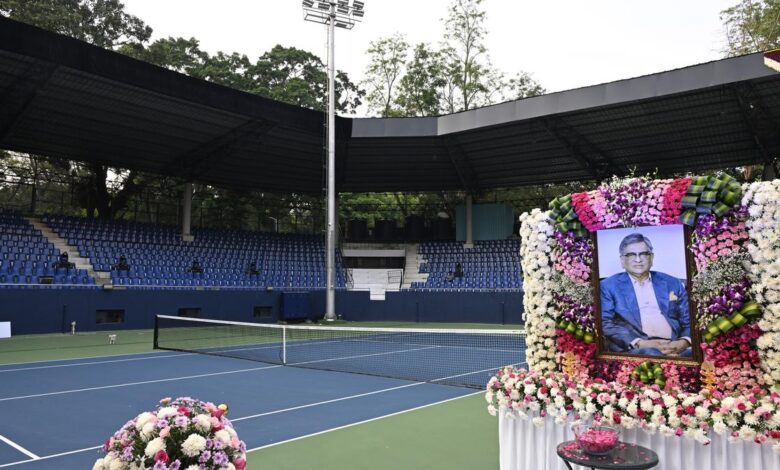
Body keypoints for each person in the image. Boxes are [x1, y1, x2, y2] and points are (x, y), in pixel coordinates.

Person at [600, 233, 691, 357]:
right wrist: (640, 343)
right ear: (622, 260)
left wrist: (684, 341)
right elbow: (605, 322)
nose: (638, 259)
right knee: (651, 354)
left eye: (643, 254)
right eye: (631, 255)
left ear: (651, 258)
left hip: (675, 345)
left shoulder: (672, 283)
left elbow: (689, 319)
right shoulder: (608, 286)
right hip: (637, 348)